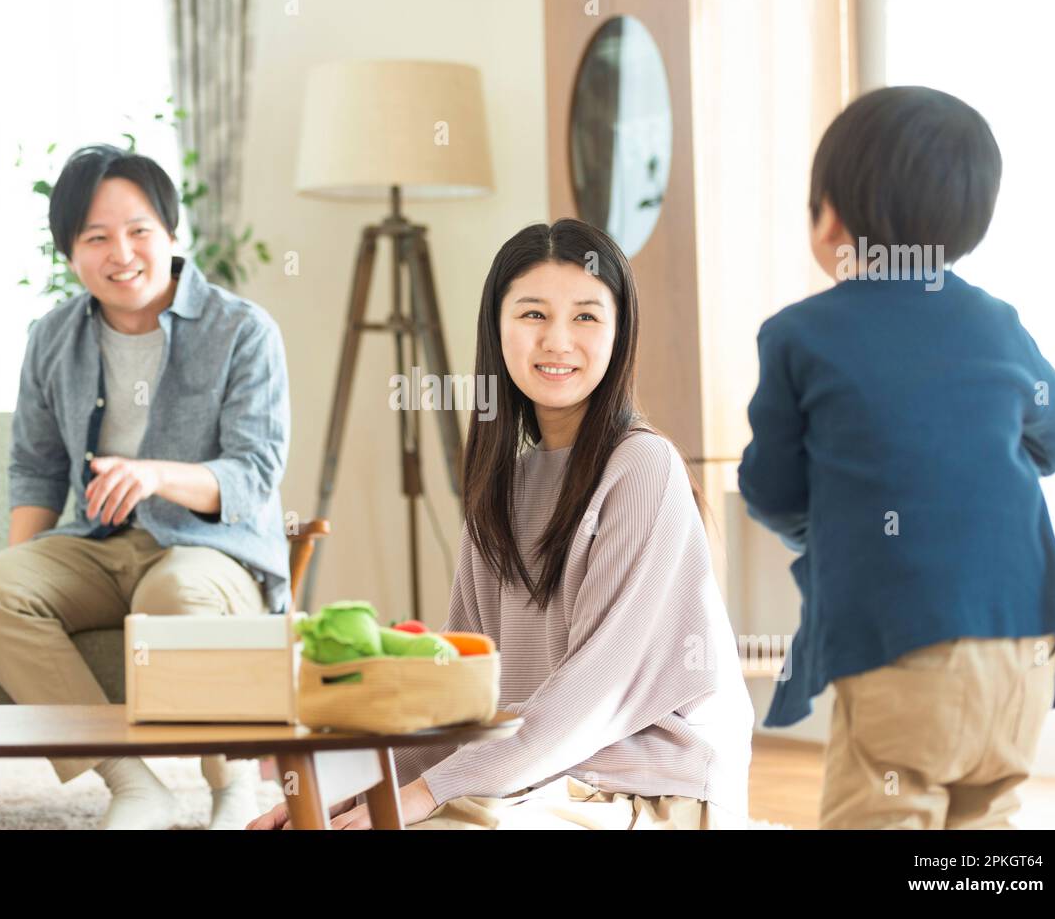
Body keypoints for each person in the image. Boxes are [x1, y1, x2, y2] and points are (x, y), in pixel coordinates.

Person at [250, 218, 754, 830]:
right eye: (534, 315)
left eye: (587, 317)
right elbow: (463, 691)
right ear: (497, 328)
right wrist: (361, 791)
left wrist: (424, 795)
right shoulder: (503, 484)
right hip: (537, 779)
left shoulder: (644, 467)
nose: (558, 341)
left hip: (648, 789)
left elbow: (593, 694)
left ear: (620, 334)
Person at [739, 86, 1055, 828]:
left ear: (830, 216)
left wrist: (827, 522)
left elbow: (768, 487)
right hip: (1028, 643)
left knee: (883, 811)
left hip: (907, 646)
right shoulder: (996, 323)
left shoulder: (801, 335)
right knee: (983, 828)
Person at [0, 144, 291, 829]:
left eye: (140, 231)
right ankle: (132, 782)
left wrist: (155, 475)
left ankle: (233, 787)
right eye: (96, 237)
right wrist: (22, 567)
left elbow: (254, 474)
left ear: (172, 235)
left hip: (213, 548)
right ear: (68, 253)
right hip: (99, 545)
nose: (123, 252)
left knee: (171, 590)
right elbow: (37, 466)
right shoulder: (51, 337)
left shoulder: (243, 330)